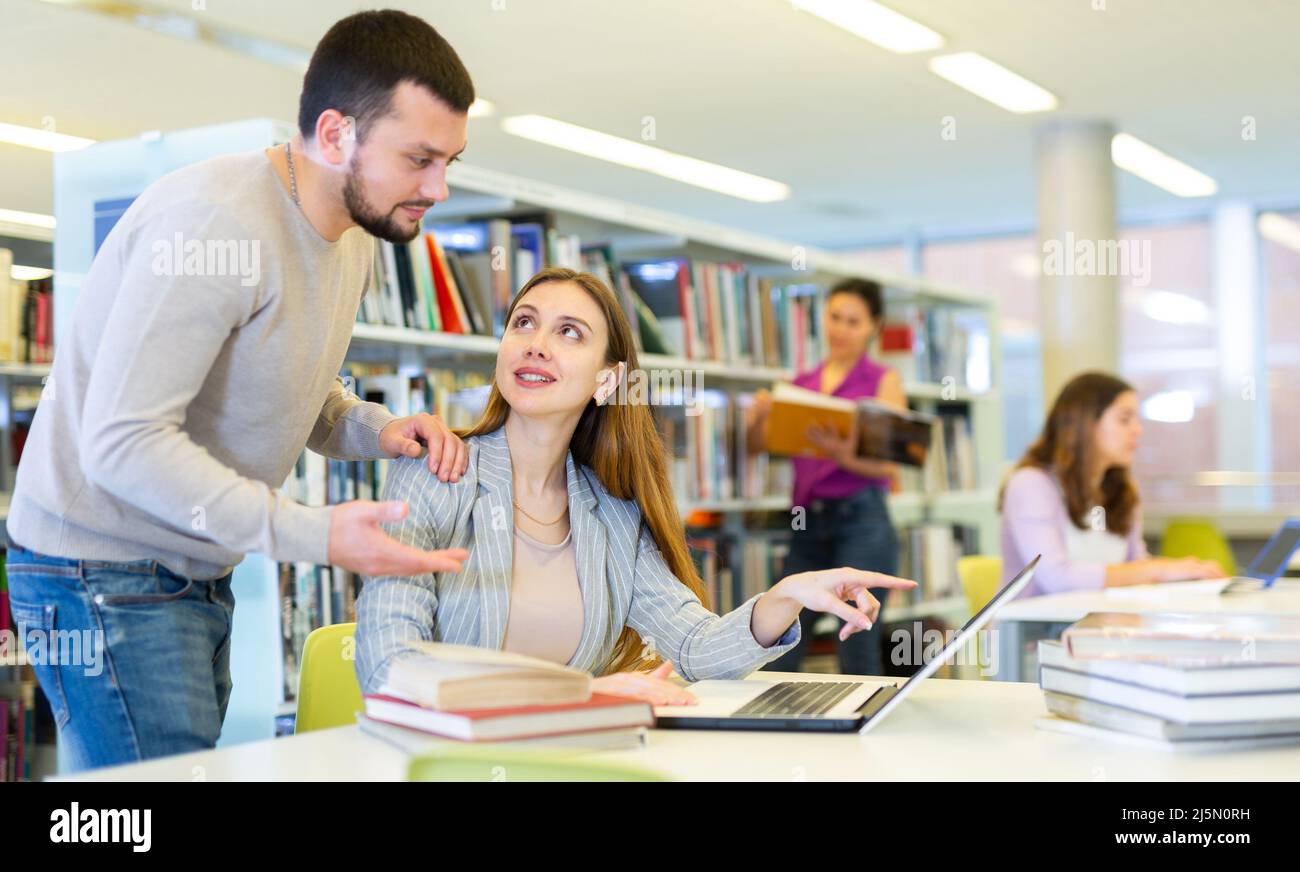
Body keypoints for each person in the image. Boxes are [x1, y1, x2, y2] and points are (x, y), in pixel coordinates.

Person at [4, 10, 478, 771]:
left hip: (191, 566)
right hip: (98, 566)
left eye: (449, 159)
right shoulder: (213, 224)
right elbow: (122, 444)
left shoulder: (351, 240)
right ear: (334, 134)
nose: (440, 188)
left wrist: (373, 428)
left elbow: (298, 387)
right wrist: (316, 535)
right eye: (419, 158)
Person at [355, 268, 918, 704]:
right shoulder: (434, 475)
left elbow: (697, 648)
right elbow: (388, 669)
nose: (536, 343)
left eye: (568, 332)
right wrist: (583, 695)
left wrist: (786, 595)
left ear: (609, 379)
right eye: (523, 323)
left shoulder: (611, 514)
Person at [743, 278, 906, 676]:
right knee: (780, 641)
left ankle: (861, 730)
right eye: (835, 317)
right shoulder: (801, 384)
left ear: (872, 327)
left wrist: (842, 454)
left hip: (862, 520)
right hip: (808, 524)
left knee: (857, 643)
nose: (841, 329)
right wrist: (758, 419)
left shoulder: (883, 382)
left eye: (853, 321)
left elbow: (887, 467)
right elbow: (756, 445)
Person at [999, 370, 1226, 599]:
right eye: (1124, 419)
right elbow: (1056, 577)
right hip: (1033, 630)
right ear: (1085, 423)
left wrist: (1181, 573)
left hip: (1102, 625)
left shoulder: (1122, 488)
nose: (1138, 430)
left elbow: (1135, 565)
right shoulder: (1031, 484)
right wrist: (1158, 570)